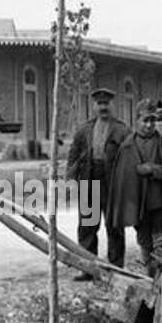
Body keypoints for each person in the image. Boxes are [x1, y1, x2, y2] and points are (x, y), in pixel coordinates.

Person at [108, 99, 162, 276]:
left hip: (160, 201)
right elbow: (122, 175)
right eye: (145, 120)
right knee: (144, 240)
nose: (149, 125)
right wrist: (135, 171)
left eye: (152, 121)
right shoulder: (128, 145)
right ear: (137, 120)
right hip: (139, 203)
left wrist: (157, 170)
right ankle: (149, 270)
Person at [64, 85, 129, 277]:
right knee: (87, 226)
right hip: (89, 180)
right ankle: (88, 269)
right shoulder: (84, 130)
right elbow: (73, 155)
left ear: (112, 105)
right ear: (94, 106)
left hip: (113, 184)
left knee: (114, 226)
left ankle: (116, 269)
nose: (103, 107)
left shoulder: (122, 130)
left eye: (106, 103)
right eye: (99, 103)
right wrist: (70, 179)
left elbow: (129, 158)